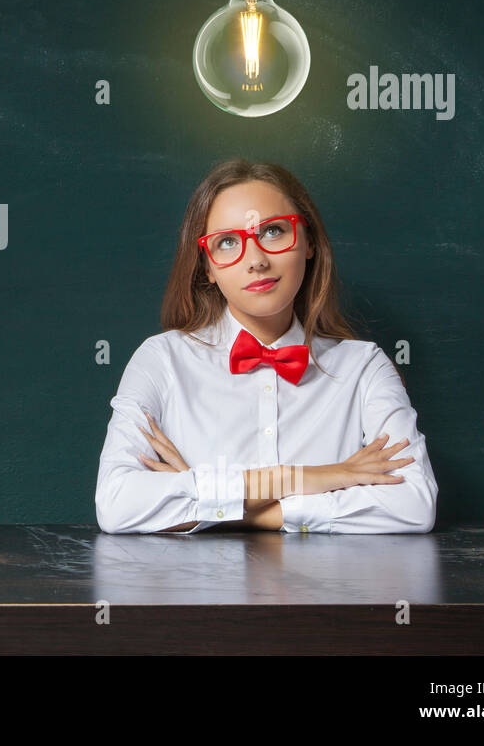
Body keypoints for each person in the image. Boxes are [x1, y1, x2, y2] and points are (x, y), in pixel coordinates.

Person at [95, 159, 438, 534]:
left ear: (308, 242)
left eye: (273, 231)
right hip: (197, 592)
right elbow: (116, 504)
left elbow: (414, 504)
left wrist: (219, 504)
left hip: (332, 590)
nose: (256, 261)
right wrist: (317, 477)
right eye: (227, 242)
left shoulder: (364, 366)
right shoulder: (161, 360)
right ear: (207, 266)